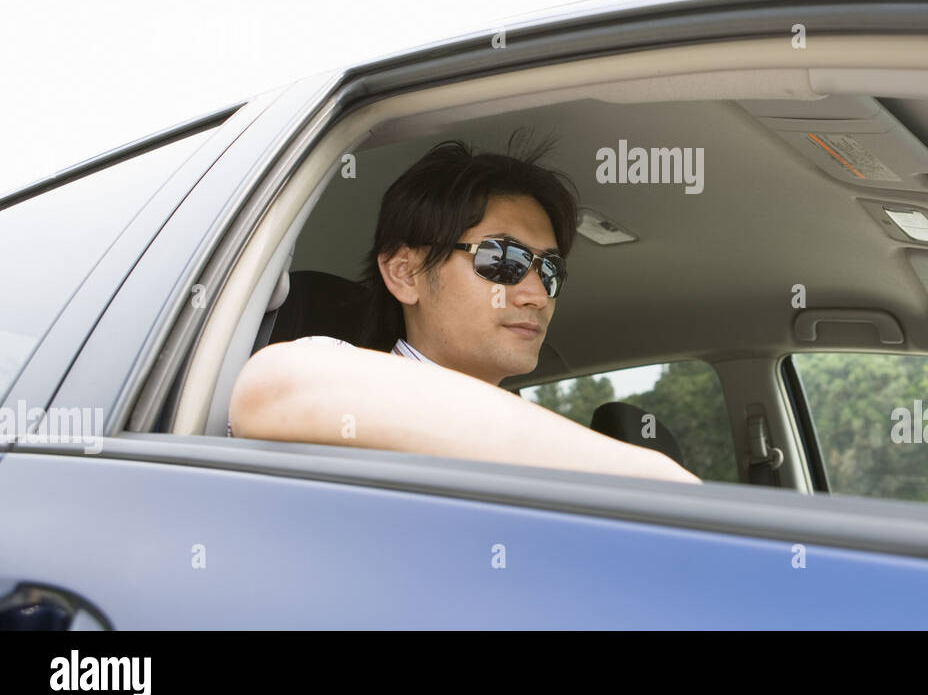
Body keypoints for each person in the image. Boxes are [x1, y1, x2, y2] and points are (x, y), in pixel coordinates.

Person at [228, 134, 702, 485]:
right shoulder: (334, 383)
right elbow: (270, 387)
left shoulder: (535, 447)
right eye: (503, 260)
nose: (537, 293)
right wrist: (650, 476)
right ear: (405, 274)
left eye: (550, 269)